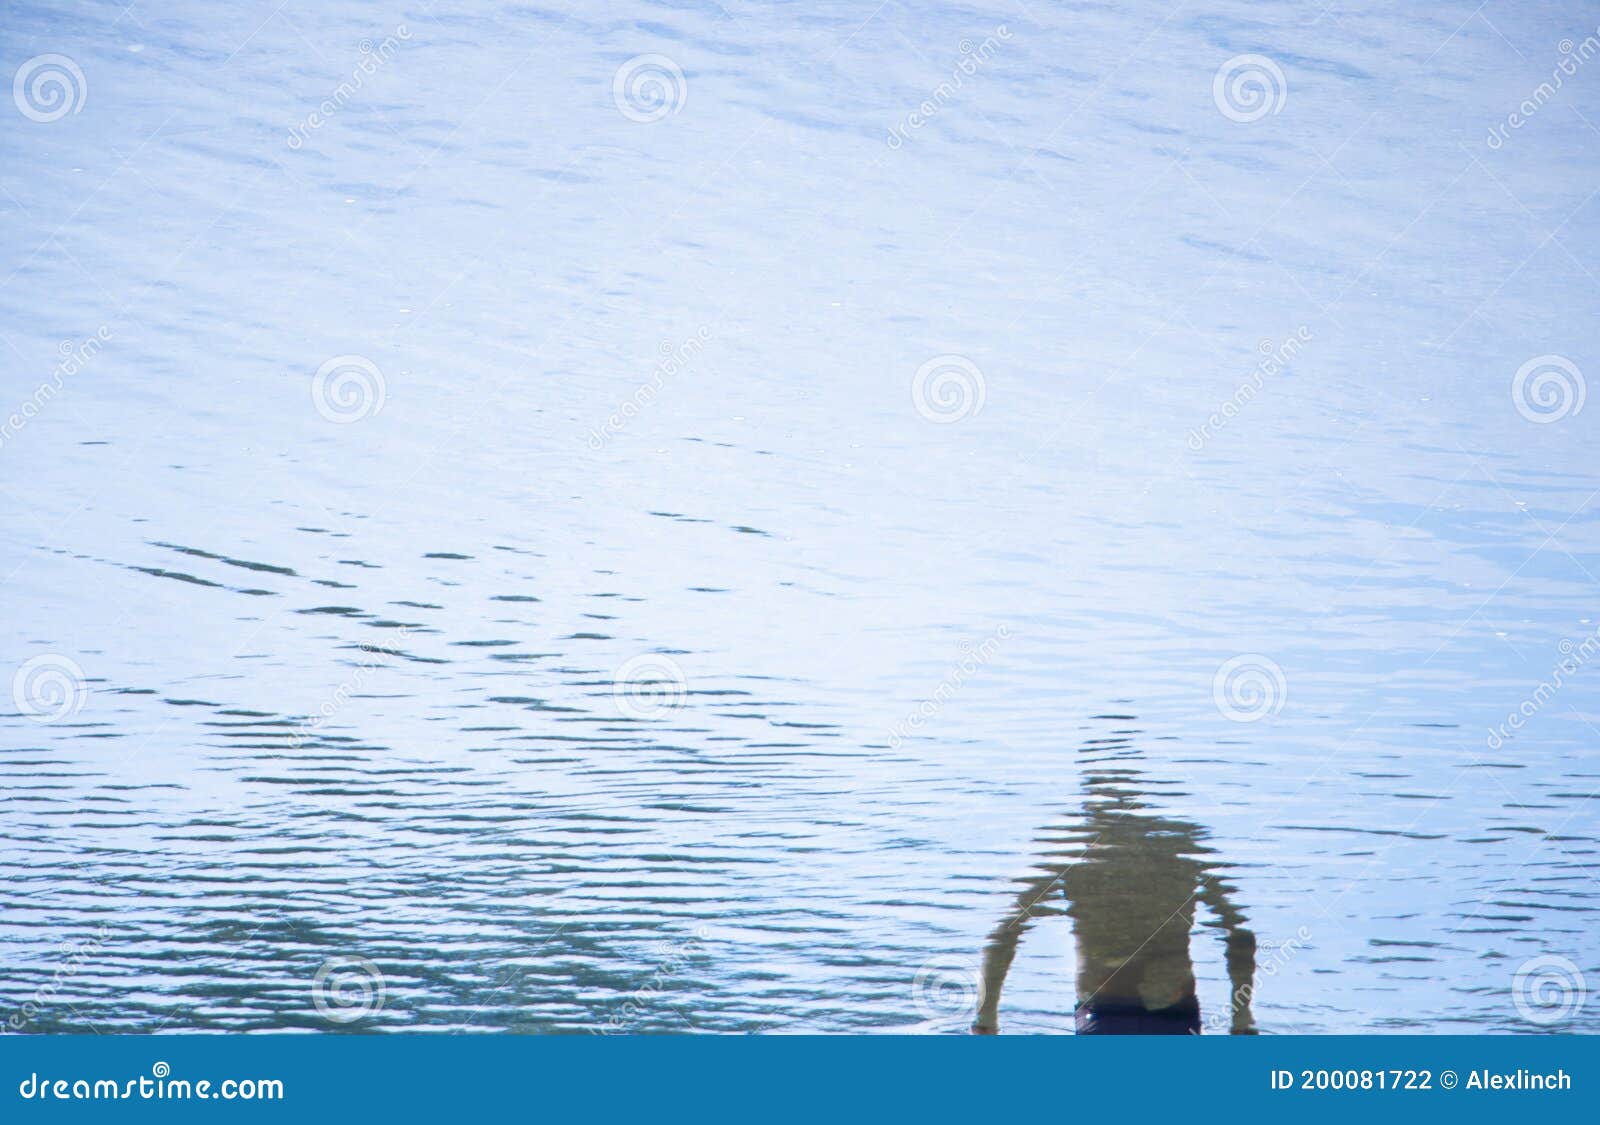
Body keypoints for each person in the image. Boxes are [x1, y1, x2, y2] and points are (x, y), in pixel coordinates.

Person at [972, 735, 1256, 1034]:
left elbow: (1005, 933)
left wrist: (986, 1021)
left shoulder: (1068, 854)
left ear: (1089, 804)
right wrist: (1242, 1019)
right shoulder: (1181, 848)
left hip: (1106, 1013)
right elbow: (1239, 933)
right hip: (1171, 1012)